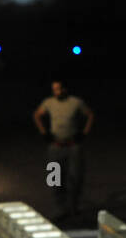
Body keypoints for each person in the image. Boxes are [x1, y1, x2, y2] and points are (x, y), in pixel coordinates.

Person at [33, 79, 94, 219]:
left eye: (59, 89)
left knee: (75, 177)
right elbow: (37, 115)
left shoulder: (75, 102)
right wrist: (44, 132)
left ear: (65, 89)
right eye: (55, 89)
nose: (57, 92)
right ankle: (59, 207)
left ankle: (73, 206)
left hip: (73, 145)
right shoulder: (49, 102)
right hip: (55, 146)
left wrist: (84, 133)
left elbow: (90, 115)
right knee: (54, 178)